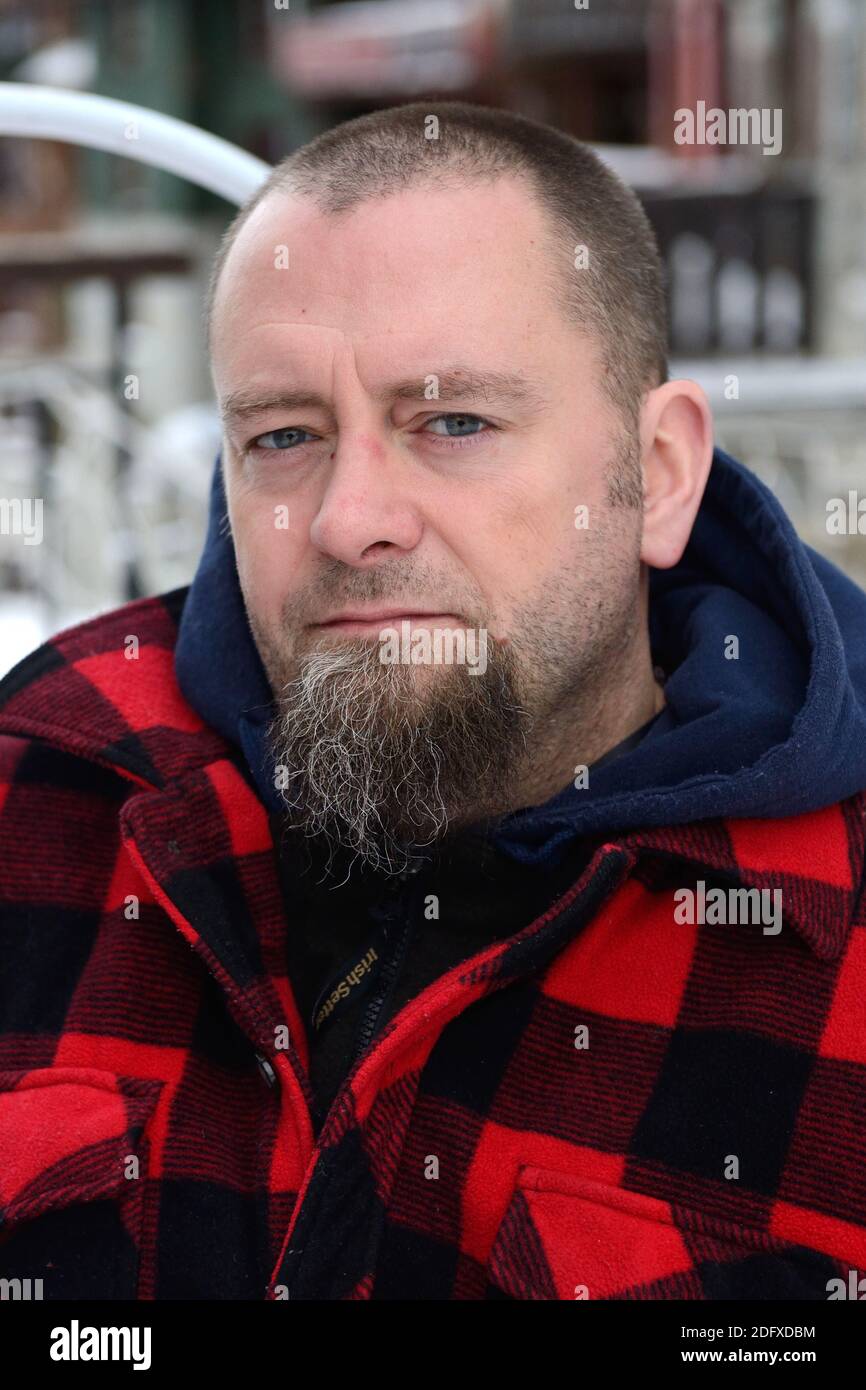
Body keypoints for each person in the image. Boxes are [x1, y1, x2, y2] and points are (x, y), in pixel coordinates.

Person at [2, 100, 865, 1302]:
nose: (353, 518)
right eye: (283, 435)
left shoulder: (829, 936)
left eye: (452, 422)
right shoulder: (45, 797)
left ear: (656, 474)